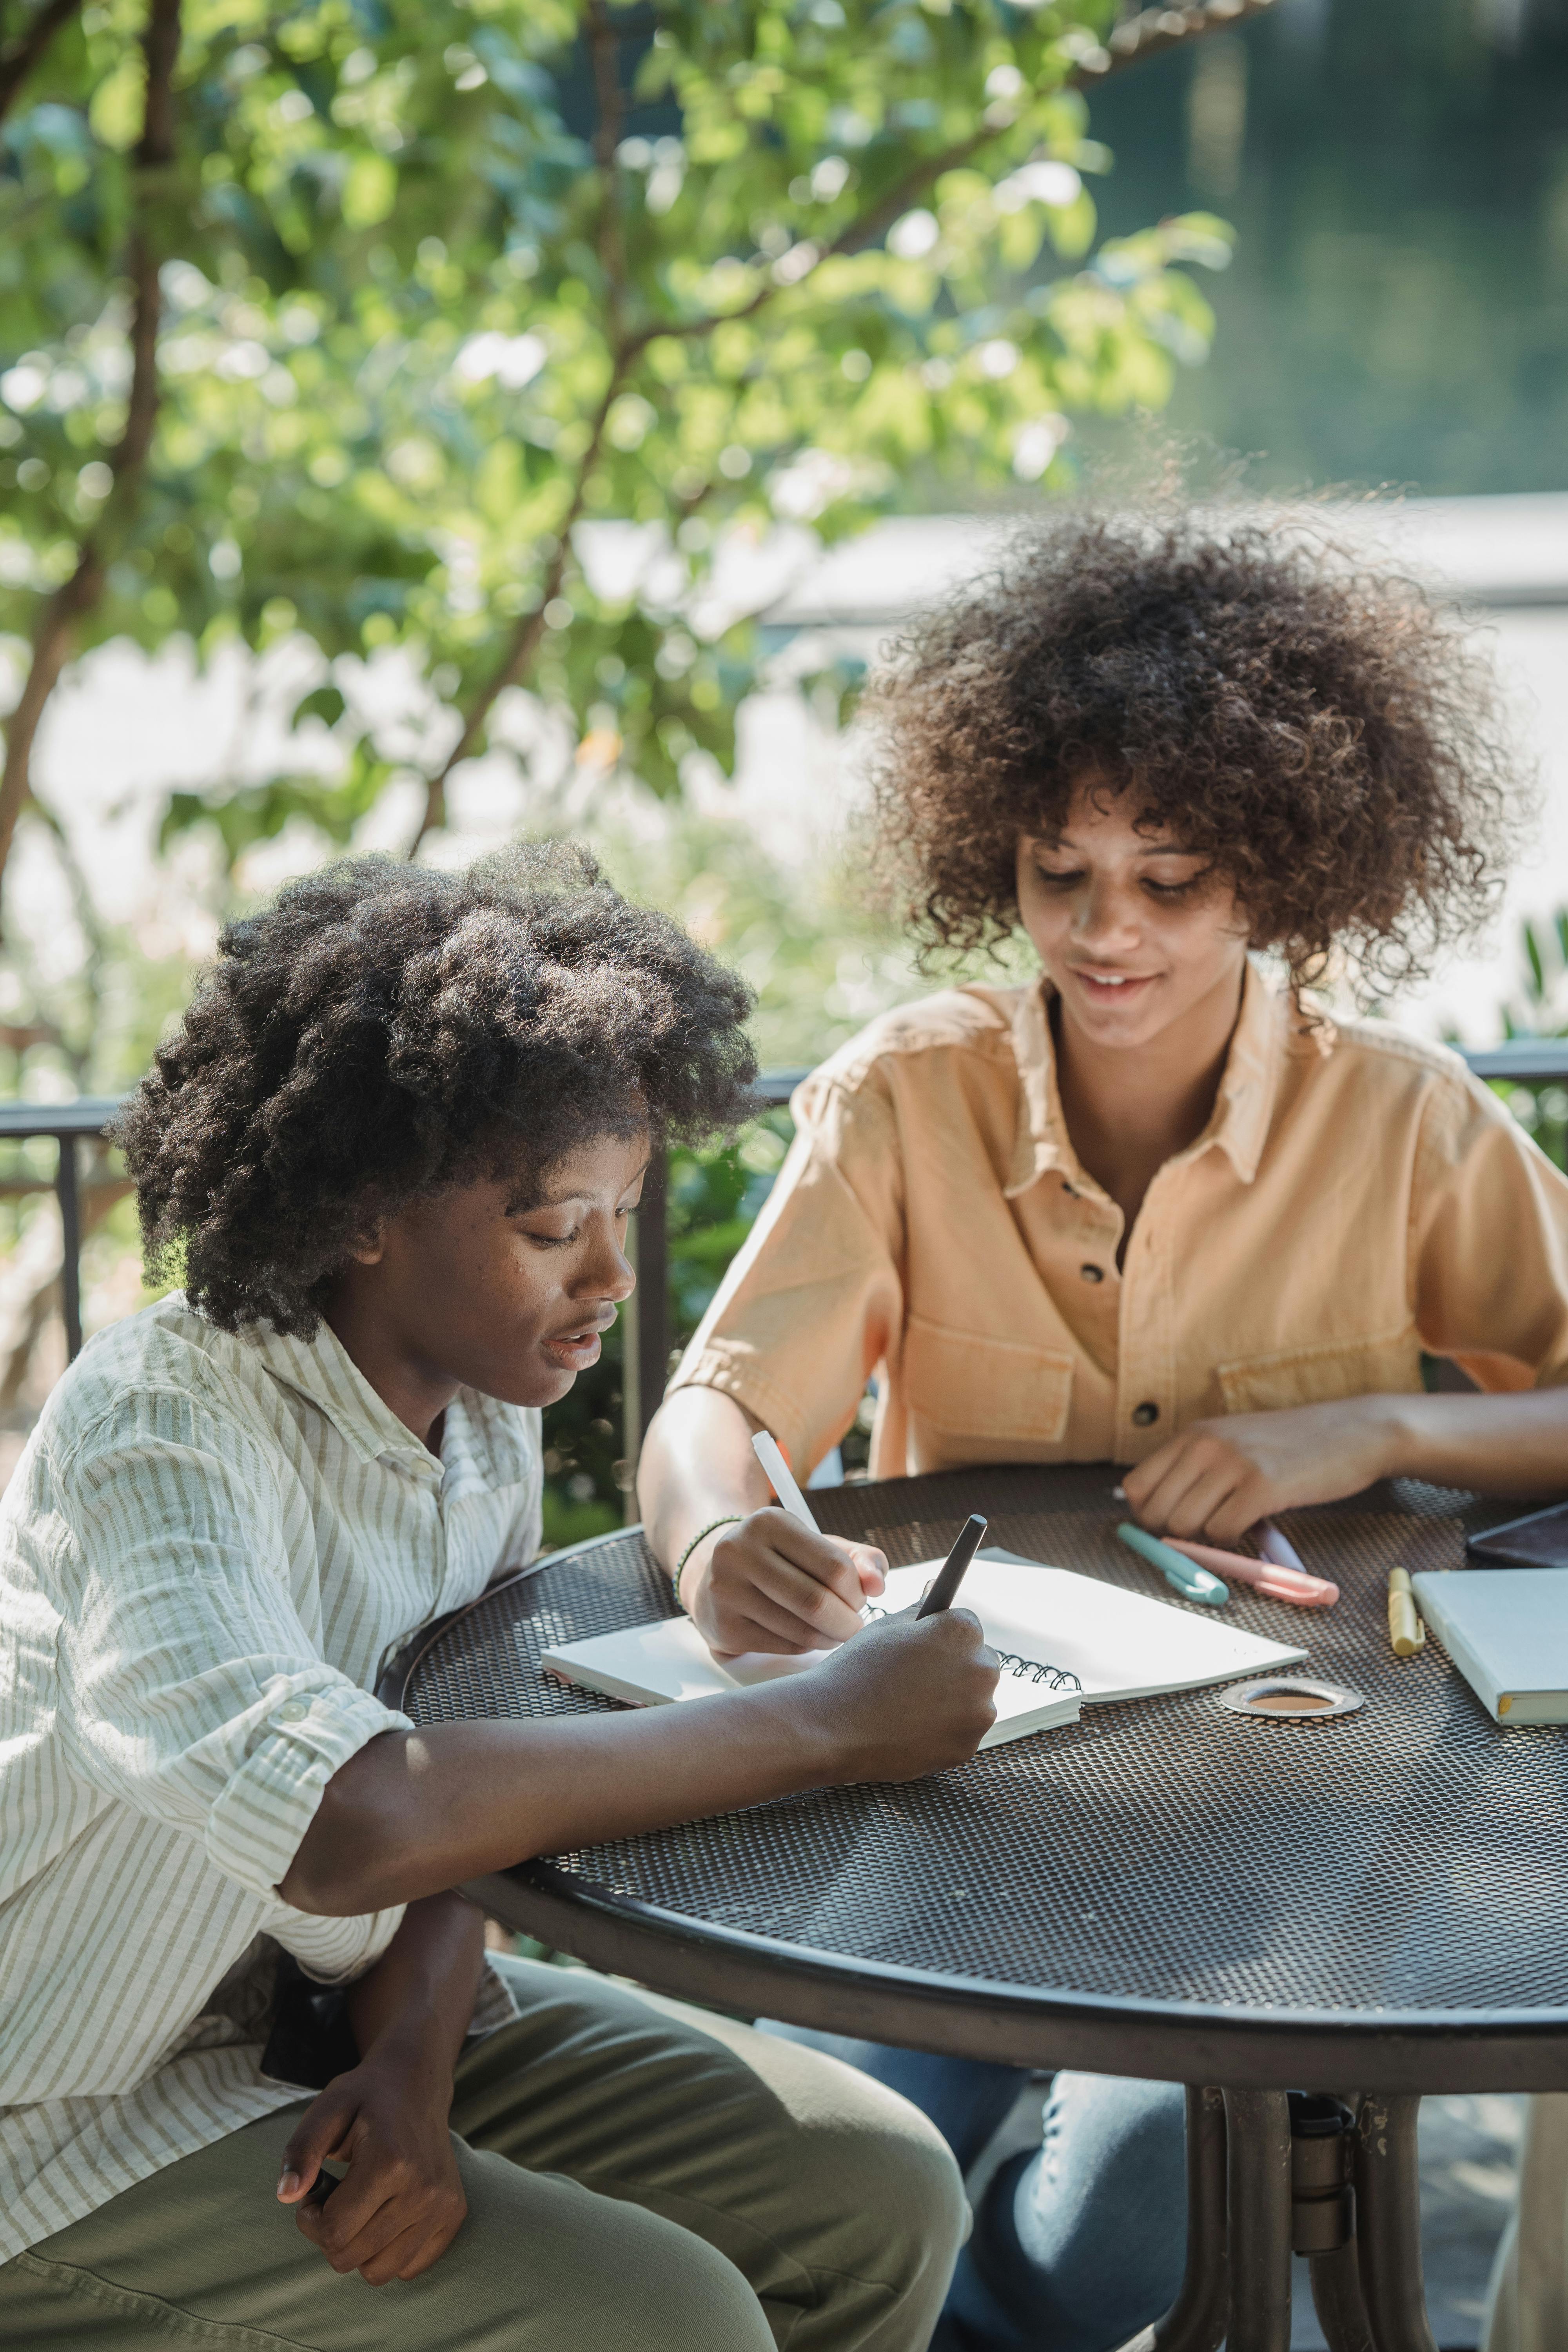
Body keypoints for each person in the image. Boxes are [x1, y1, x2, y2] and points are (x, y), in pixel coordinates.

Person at [637, 512, 1568, 2352]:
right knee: (805, 2177)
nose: (1103, 930)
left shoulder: (1408, 1121)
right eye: (1059, 871)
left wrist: (1364, 1423)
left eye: (1168, 878)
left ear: (1279, 874)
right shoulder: (903, 1101)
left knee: (1139, 2222)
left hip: (1282, 1842)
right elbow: (717, 1408)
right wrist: (708, 1535)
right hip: (947, 1793)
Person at [0, 846, 998, 2352]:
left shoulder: (481, 1414)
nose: (610, 1277)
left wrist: (413, 2062)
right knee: (676, 2322)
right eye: (552, 1230)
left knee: (884, 2191)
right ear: (362, 1215)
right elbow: (358, 1821)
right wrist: (826, 1727)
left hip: (324, 2025)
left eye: (626, 1212)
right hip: (56, 2100)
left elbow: (459, 1809)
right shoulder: (162, 1425)